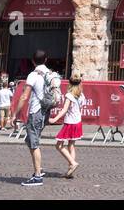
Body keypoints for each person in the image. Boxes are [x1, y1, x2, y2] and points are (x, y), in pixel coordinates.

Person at [22, 49, 58, 186]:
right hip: (45, 111)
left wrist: (14, 114)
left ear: (32, 61)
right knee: (30, 139)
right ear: (46, 60)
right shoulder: (50, 74)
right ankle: (39, 168)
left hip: (36, 111)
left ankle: (37, 176)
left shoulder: (33, 75)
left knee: (33, 143)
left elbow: (25, 96)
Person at [51, 76, 84, 179]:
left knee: (59, 145)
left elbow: (64, 110)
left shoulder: (69, 95)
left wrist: (54, 119)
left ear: (69, 83)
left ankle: (73, 163)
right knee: (71, 145)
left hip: (70, 122)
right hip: (78, 121)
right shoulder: (81, 94)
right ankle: (70, 170)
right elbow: (81, 107)